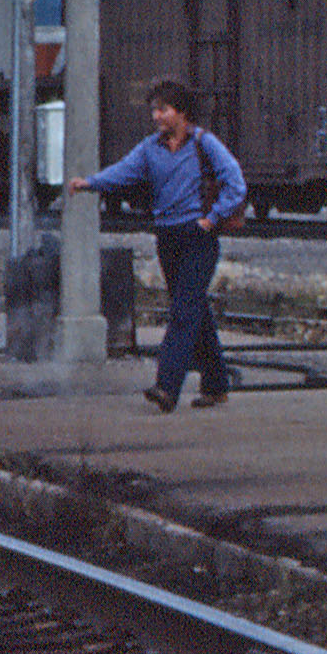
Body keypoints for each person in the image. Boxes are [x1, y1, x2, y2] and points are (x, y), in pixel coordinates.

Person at [75, 79, 247, 413]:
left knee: (183, 311)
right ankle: (216, 384)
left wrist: (212, 218)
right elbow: (124, 172)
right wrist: (90, 184)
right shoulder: (149, 148)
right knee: (194, 309)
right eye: (153, 110)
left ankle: (166, 387)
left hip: (198, 238)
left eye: (162, 110)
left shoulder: (205, 143)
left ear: (181, 113)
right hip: (167, 238)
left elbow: (235, 183)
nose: (155, 116)